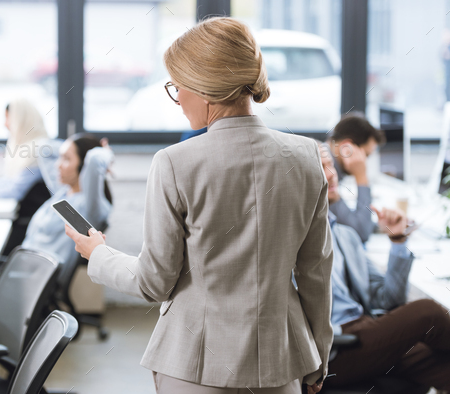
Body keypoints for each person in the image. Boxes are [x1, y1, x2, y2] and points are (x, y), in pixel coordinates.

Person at [66, 17, 333, 394]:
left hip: (195, 365)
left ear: (205, 88)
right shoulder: (306, 157)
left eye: (178, 87)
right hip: (281, 363)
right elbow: (316, 276)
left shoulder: (175, 162)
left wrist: (99, 255)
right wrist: (318, 361)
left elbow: (154, 281)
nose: (178, 100)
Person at [319, 148, 450, 390]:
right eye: (321, 167)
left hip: (368, 334)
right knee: (427, 312)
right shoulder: (290, 241)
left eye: (332, 166)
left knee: (444, 367)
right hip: (333, 349)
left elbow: (389, 299)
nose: (332, 175)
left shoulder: (345, 235)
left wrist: (398, 241)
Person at [21, 133, 113, 267]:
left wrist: (107, 153)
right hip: (22, 266)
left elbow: (94, 160)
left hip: (38, 280)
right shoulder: (62, 191)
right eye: (60, 157)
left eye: (66, 159)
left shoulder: (88, 207)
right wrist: (70, 145)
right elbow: (43, 147)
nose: (58, 165)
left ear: (83, 166)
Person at [326, 113, 386, 242]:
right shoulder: (325, 174)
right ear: (347, 147)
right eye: (366, 155)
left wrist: (381, 226)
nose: (365, 162)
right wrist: (361, 177)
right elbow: (360, 233)